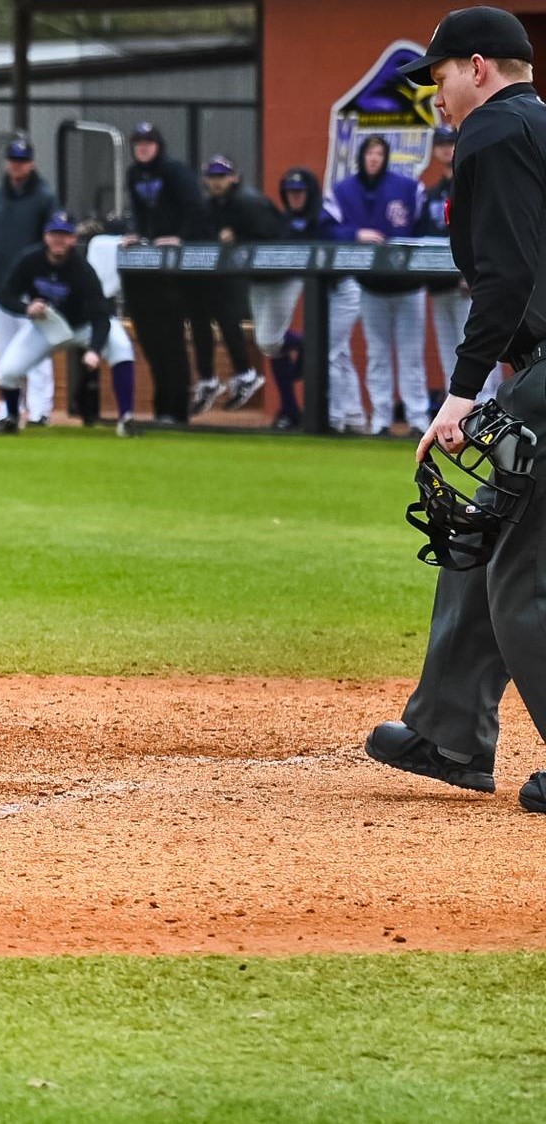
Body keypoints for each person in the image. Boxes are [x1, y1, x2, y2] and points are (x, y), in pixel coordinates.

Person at [365, 6, 546, 813]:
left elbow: (504, 277)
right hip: (536, 371)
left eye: (437, 76)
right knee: (478, 542)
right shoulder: (535, 127)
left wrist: (462, 393)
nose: (433, 94)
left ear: (479, 66)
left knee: (520, 576)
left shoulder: (494, 132)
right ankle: (449, 734)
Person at [0, 211, 140, 437]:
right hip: (47, 326)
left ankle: (126, 419)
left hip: (85, 326)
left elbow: (100, 315)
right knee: (7, 372)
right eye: (54, 234)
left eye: (64, 235)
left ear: (73, 239)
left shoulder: (82, 270)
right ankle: (11, 417)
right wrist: (26, 309)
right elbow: (4, 295)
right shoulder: (30, 261)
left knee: (122, 349)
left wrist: (95, 350)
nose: (59, 240)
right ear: (45, 236)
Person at [250, 168, 362, 429]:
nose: (295, 197)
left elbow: (340, 233)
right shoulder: (285, 221)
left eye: (300, 192)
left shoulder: (323, 214)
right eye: (290, 192)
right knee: (339, 352)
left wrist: (356, 235)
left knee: (328, 350)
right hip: (321, 293)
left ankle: (334, 419)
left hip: (343, 288)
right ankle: (354, 416)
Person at [335, 135, 429, 434]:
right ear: (361, 157)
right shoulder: (344, 190)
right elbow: (326, 227)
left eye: (379, 153)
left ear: (386, 157)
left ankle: (417, 419)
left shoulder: (407, 187)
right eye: (369, 153)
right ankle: (380, 419)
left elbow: (424, 228)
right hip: (371, 288)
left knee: (412, 357)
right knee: (377, 356)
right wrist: (355, 235)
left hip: (409, 288)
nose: (374, 158)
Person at [120, 122, 207, 425]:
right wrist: (136, 234)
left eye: (148, 142)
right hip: (149, 266)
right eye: (138, 143)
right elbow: (140, 212)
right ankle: (161, 410)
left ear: (158, 145)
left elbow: (195, 208)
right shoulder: (133, 175)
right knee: (151, 341)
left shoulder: (175, 171)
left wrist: (180, 237)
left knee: (172, 341)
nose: (142, 148)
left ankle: (178, 411)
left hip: (177, 268)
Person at [0, 136, 59, 428]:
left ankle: (40, 409)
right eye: (13, 161)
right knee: (5, 351)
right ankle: (8, 407)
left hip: (32, 289)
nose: (17, 166)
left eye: (22, 161)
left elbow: (54, 242)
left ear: (32, 163)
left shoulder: (44, 197)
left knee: (36, 348)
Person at [194, 155, 271, 411]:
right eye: (212, 177)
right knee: (201, 319)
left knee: (229, 320)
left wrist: (238, 235)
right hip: (214, 270)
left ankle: (245, 373)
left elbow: (268, 232)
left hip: (250, 273)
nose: (217, 182)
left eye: (222, 177)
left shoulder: (246, 201)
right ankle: (210, 378)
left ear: (233, 177)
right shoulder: (209, 206)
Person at [418, 124, 487, 400]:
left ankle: (487, 405)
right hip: (440, 284)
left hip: (467, 282)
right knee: (449, 351)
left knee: (478, 346)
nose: (446, 148)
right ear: (434, 150)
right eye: (441, 144)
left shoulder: (471, 182)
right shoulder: (431, 194)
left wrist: (472, 274)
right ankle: (457, 410)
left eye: (451, 142)